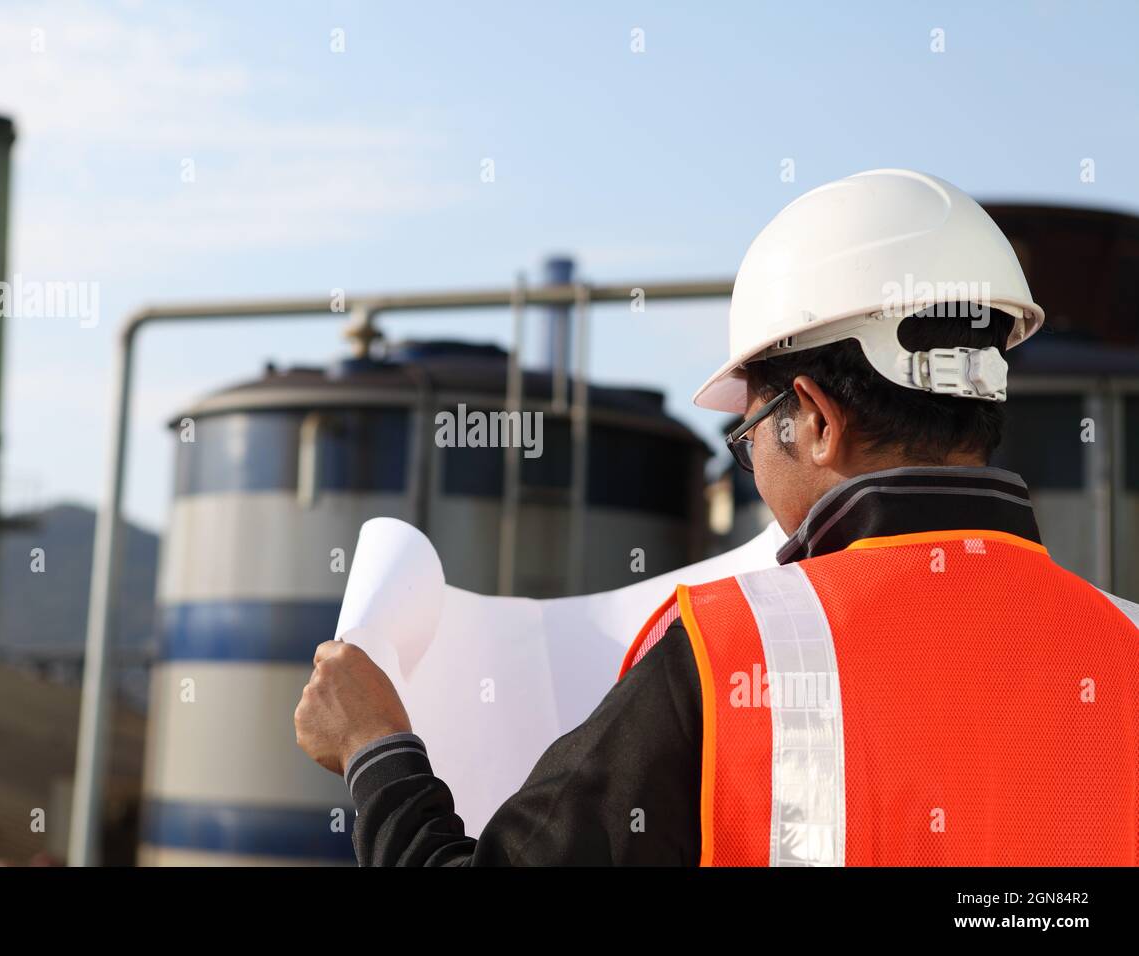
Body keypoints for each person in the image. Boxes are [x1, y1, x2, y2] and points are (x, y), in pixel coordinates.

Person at [294, 169, 1139, 866]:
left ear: (811, 417)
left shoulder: (734, 651)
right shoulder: (1126, 646)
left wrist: (375, 746)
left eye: (745, 435)